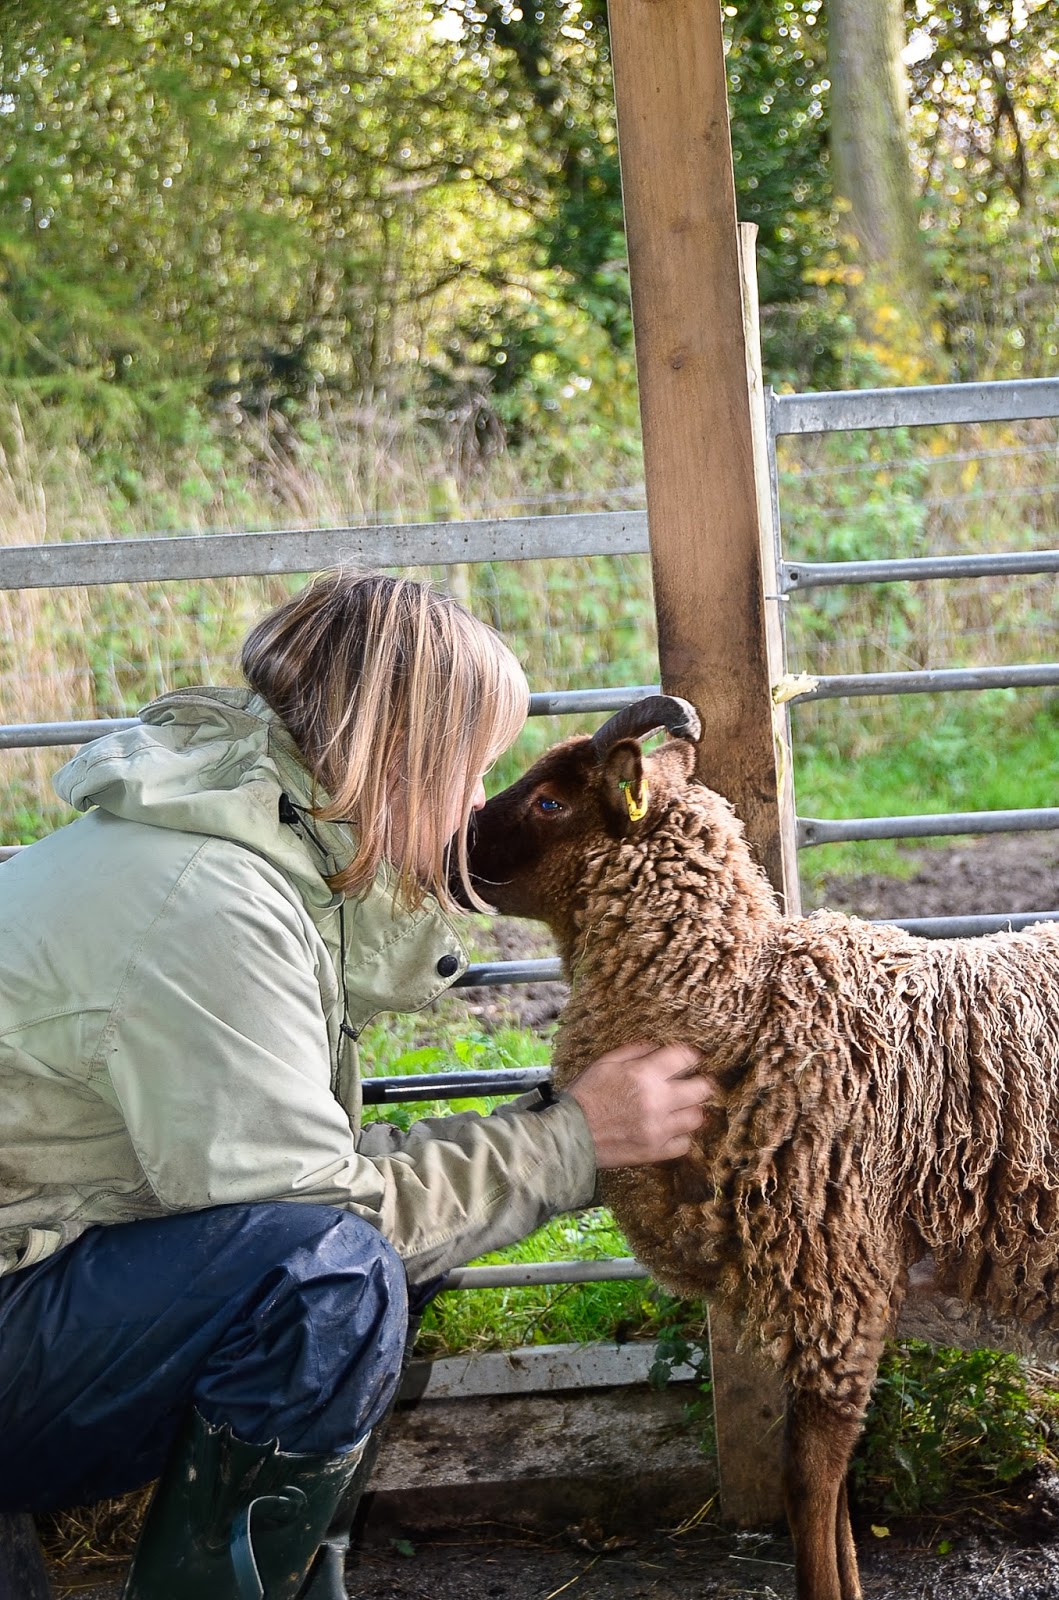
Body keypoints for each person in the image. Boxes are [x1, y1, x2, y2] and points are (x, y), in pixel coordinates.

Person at [0, 570, 709, 1599]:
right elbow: (309, 1218)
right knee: (331, 1283)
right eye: (473, 766)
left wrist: (554, 1130)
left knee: (365, 1258)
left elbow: (287, 1179)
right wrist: (571, 1142)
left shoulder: (231, 853)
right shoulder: (211, 905)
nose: (476, 801)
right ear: (406, 754)